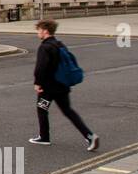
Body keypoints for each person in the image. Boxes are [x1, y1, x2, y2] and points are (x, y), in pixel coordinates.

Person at [31, 19, 99, 151]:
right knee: (68, 111)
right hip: (62, 85)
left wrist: (37, 83)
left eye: (38, 30)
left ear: (45, 31)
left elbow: (41, 68)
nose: (37, 33)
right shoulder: (60, 44)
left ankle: (44, 137)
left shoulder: (45, 47)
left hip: (48, 87)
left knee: (42, 109)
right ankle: (89, 136)